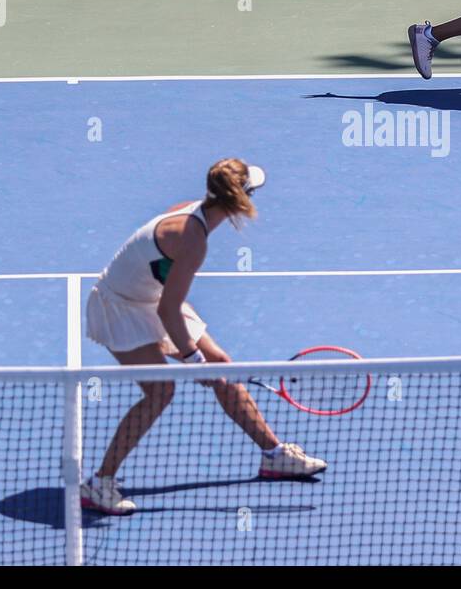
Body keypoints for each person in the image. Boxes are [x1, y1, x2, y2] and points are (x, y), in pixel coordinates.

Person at [80, 158, 326, 515]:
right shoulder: (193, 239)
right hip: (120, 306)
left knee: (221, 365)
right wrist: (194, 362)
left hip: (151, 296)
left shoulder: (193, 213)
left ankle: (275, 456)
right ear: (241, 200)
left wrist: (202, 360)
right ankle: (99, 483)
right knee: (161, 391)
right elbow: (168, 310)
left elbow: (164, 290)